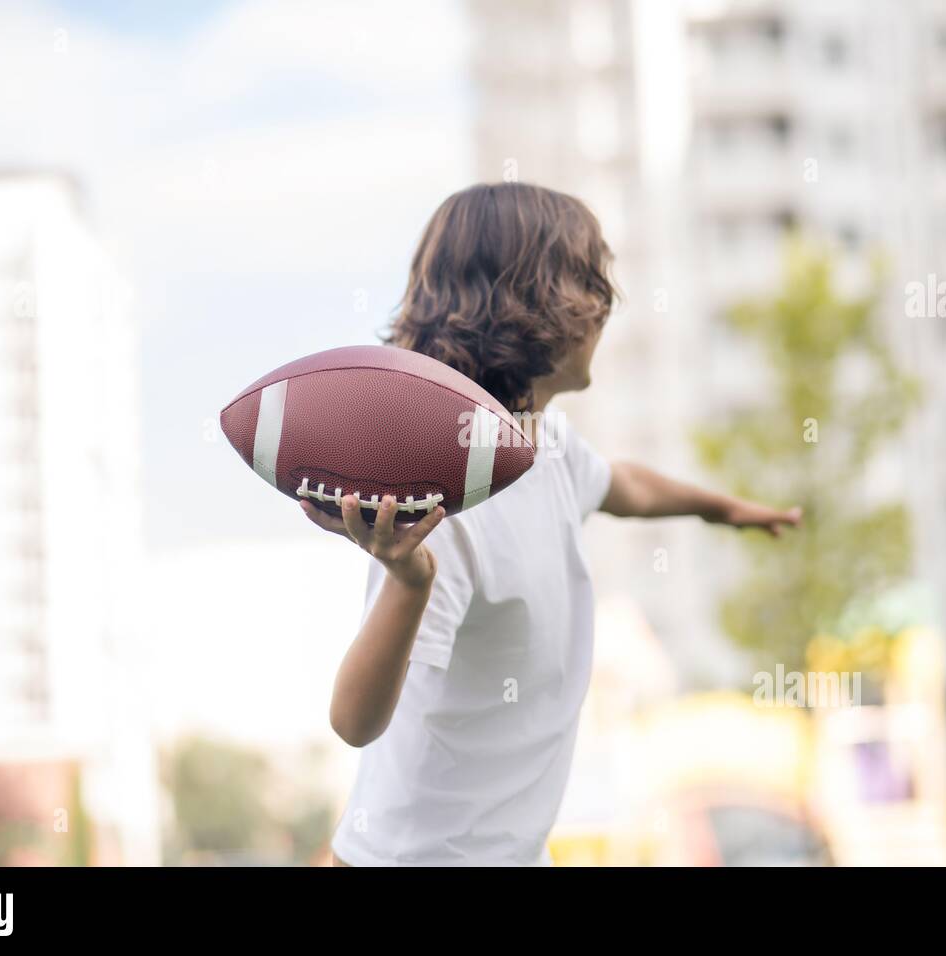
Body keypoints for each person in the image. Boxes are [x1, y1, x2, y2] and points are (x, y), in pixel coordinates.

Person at [300, 182, 802, 866]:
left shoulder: (549, 448)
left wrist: (721, 509)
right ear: (538, 305)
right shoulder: (449, 503)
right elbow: (354, 721)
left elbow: (624, 485)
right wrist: (408, 582)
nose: (607, 305)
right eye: (593, 280)